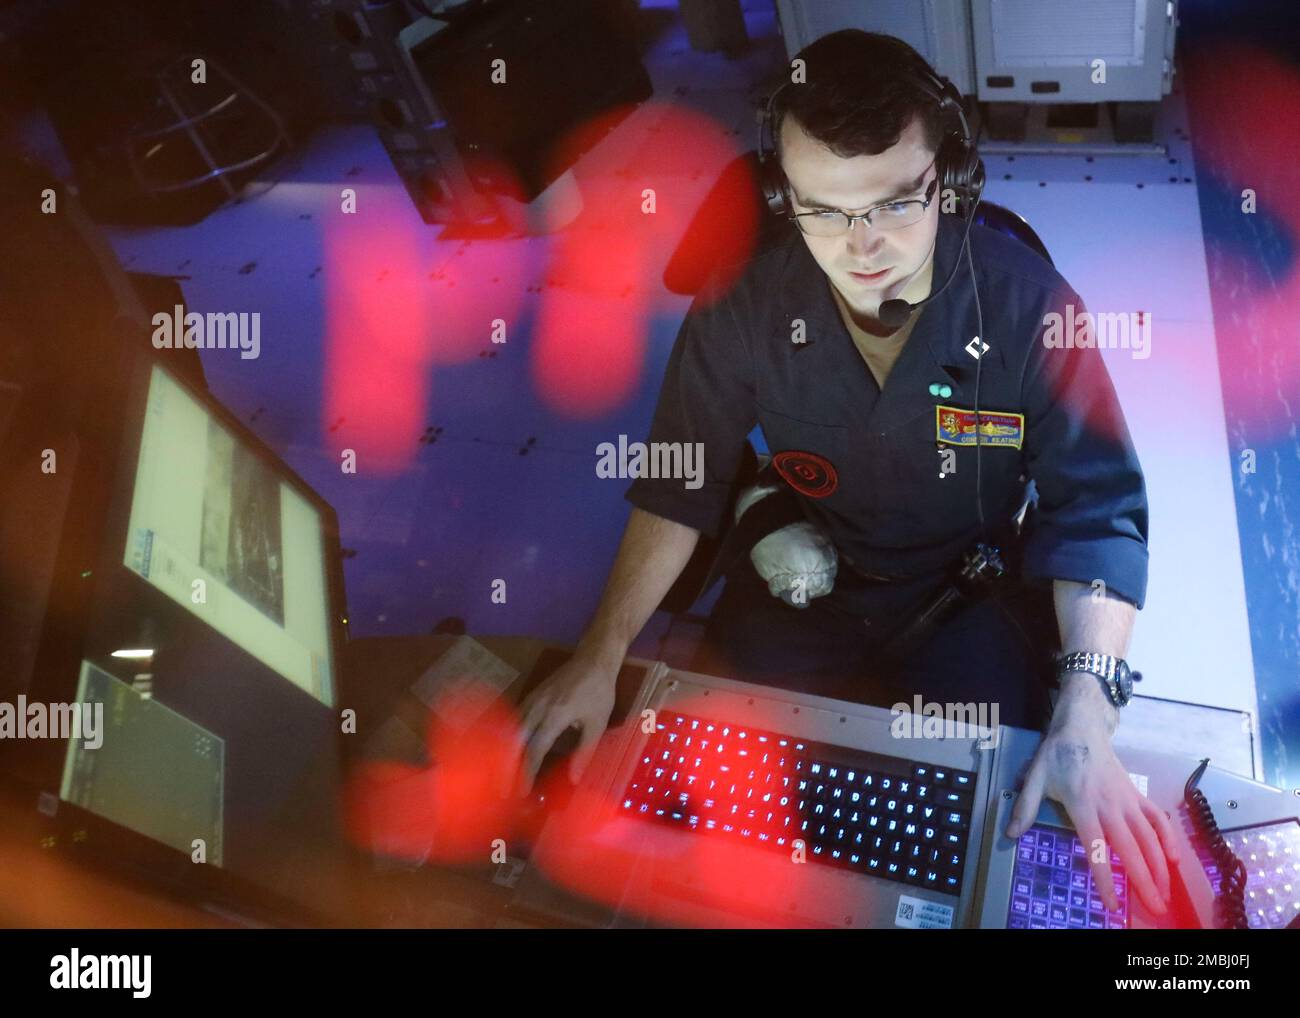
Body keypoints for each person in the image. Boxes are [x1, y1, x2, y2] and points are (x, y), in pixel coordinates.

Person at [512, 30, 1178, 918]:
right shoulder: (743, 303)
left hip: (966, 590)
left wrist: (1089, 708)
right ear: (786, 197)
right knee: (711, 812)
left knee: (995, 822)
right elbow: (680, 482)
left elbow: (1095, 511)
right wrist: (599, 653)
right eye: (825, 211)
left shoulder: (1031, 311)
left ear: (952, 178)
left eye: (898, 203)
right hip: (807, 578)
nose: (864, 246)